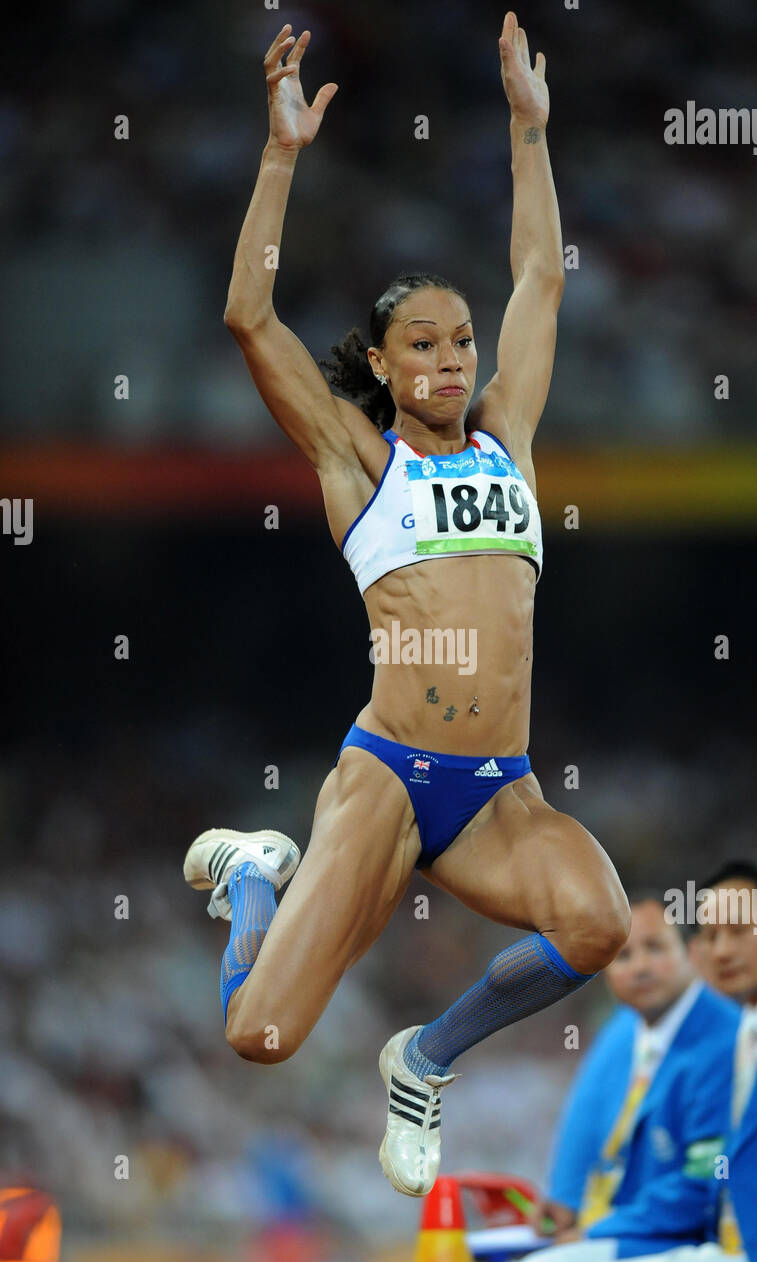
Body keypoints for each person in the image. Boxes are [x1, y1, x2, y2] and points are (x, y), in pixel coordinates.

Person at [182, 13, 630, 1199]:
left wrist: (532, 131)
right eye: (421, 343)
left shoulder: (510, 442)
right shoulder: (360, 463)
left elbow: (541, 274)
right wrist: (279, 158)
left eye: (461, 340)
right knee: (259, 1037)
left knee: (600, 925)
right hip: (389, 779)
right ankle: (257, 882)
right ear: (381, 366)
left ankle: (423, 1060)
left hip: (498, 790)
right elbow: (247, 320)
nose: (449, 357)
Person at [548, 861, 757, 1262]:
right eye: (710, 936)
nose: (722, 951)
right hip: (732, 1246)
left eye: (739, 930)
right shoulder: (753, 1024)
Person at [471, 894, 738, 1262]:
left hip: (681, 1235)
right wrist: (563, 1202)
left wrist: (596, 1229)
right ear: (605, 970)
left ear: (693, 954)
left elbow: (702, 1184)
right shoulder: (623, 1031)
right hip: (618, 1224)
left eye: (656, 948)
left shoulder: (723, 1040)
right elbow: (582, 1125)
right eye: (625, 956)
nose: (641, 967)